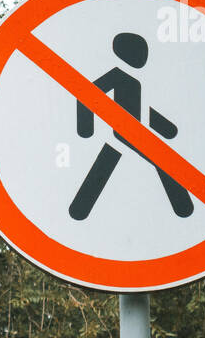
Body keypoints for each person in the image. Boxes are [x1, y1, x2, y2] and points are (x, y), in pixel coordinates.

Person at [69, 33, 194, 220]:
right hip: (125, 133)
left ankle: (78, 210)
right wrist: (85, 128)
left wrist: (167, 128)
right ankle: (183, 206)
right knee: (163, 162)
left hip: (134, 132)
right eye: (140, 52)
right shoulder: (117, 76)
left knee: (103, 167)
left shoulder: (136, 82)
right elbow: (86, 96)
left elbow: (142, 111)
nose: (144, 57)